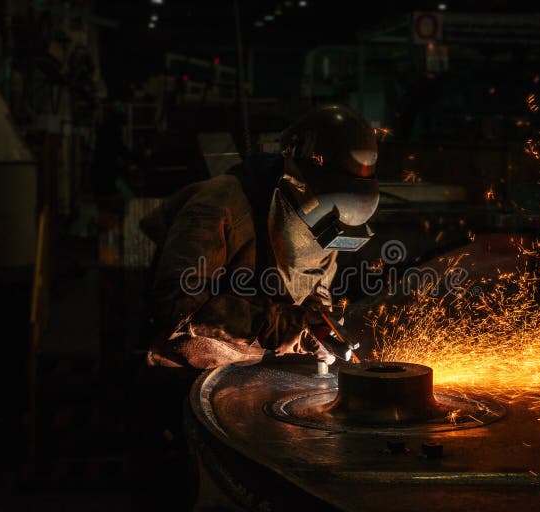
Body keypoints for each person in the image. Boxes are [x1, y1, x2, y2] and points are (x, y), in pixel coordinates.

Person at [140, 104, 379, 370]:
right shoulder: (218, 205)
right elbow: (175, 312)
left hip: (252, 372)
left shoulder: (328, 217)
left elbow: (316, 288)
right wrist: (274, 325)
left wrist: (319, 325)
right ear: (294, 166)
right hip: (183, 377)